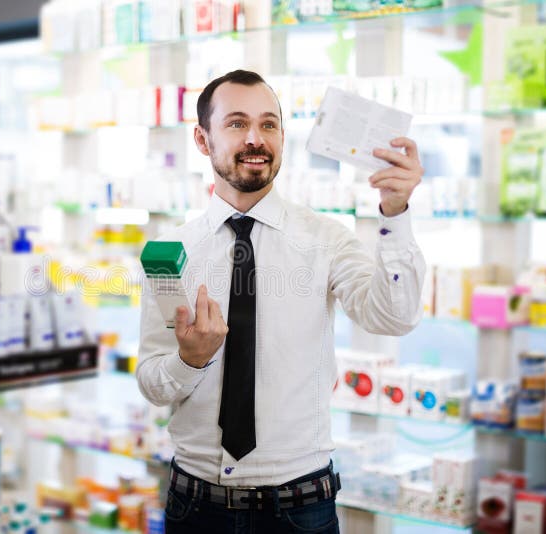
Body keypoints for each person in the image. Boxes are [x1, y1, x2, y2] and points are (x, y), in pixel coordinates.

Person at [136, 70, 425, 533]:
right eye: (236, 123)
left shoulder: (326, 240)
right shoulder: (172, 253)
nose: (255, 138)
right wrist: (189, 362)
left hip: (300, 509)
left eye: (268, 125)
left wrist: (395, 211)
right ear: (202, 139)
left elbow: (394, 317)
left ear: (283, 138)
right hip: (196, 507)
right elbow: (152, 384)